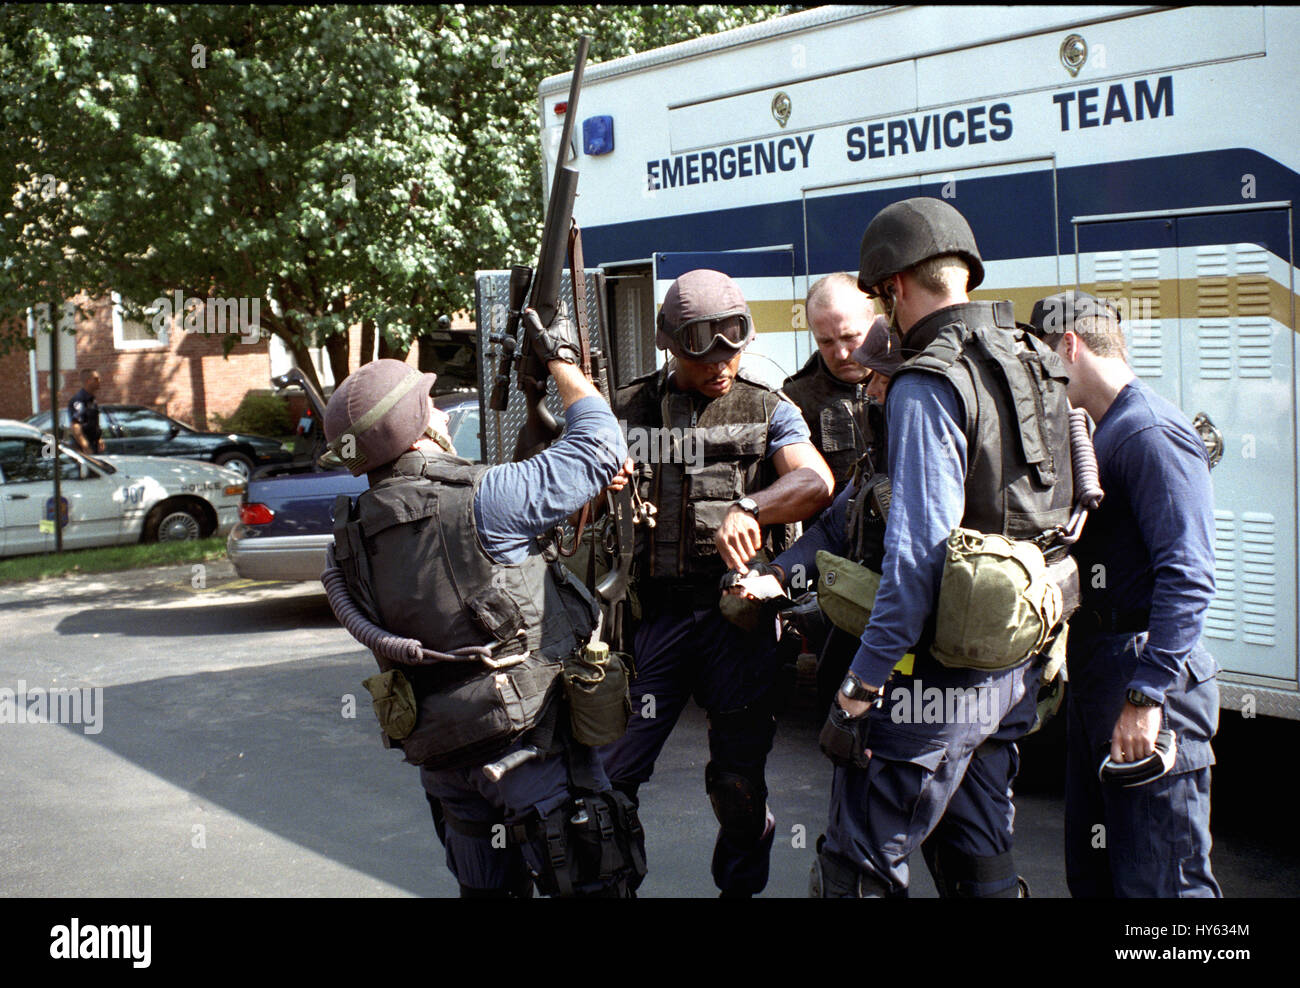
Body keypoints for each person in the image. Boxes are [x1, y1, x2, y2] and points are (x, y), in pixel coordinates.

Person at [790, 197, 1075, 897]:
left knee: (857, 866)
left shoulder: (928, 382)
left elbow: (916, 562)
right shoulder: (1033, 357)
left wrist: (861, 687)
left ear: (894, 286)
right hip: (1014, 665)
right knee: (980, 859)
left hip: (933, 678)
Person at [320, 307, 645, 898]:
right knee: (594, 877)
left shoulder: (352, 535)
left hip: (445, 757)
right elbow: (600, 445)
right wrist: (561, 362)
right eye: (431, 403)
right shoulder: (485, 498)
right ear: (417, 428)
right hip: (528, 746)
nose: (442, 410)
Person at [600, 268, 834, 896]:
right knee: (610, 775)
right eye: (702, 356)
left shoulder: (768, 405)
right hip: (656, 622)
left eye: (733, 351)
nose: (721, 367)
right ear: (669, 347)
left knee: (737, 782)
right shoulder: (627, 409)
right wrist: (603, 484)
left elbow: (814, 482)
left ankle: (740, 888)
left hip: (739, 622)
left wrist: (754, 506)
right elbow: (569, 496)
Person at [1030, 289, 1221, 898]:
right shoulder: (1108, 429)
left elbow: (1189, 574)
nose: (1040, 378)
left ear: (1069, 344)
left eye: (1042, 362)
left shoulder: (1150, 433)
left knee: (1163, 885)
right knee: (1103, 877)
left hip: (1143, 674)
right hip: (1104, 671)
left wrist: (1147, 693)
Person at [782, 273, 887, 510]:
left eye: (849, 337)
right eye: (826, 342)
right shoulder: (795, 399)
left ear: (876, 323)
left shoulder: (907, 381)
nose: (841, 354)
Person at [68, 370, 104, 455]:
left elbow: (93, 423)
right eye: (96, 379)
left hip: (93, 444)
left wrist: (98, 439)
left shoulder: (92, 400)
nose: (99, 381)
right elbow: (75, 425)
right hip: (82, 447)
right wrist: (85, 446)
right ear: (88, 381)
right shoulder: (79, 400)